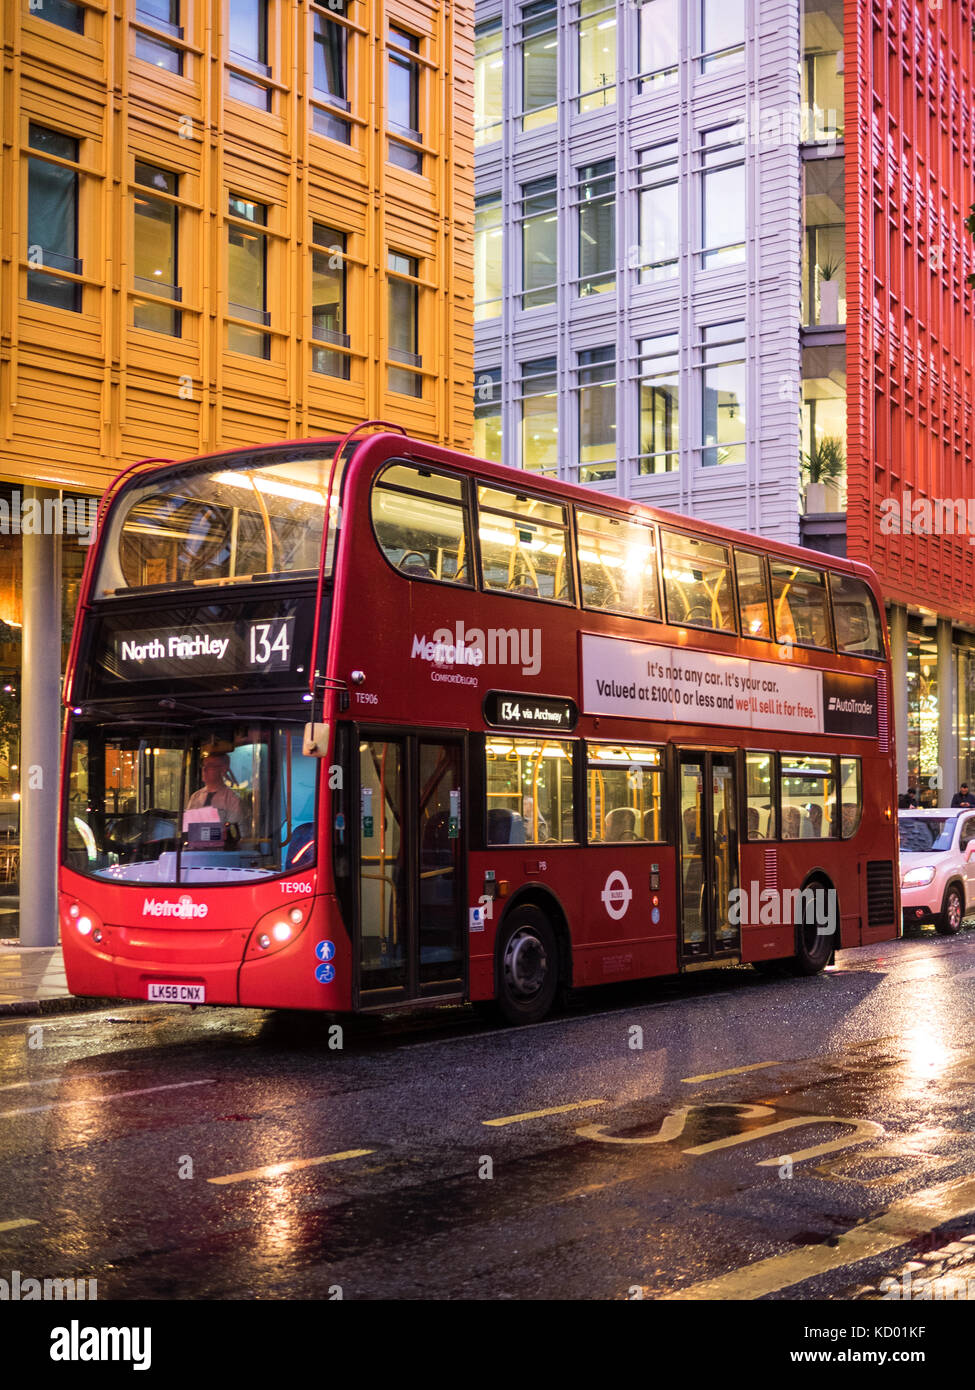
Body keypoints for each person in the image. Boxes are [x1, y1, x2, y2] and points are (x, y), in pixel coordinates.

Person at [186, 752, 243, 841]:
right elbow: (187, 828)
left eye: (210, 766)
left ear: (223, 769)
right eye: (203, 766)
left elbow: (232, 833)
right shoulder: (195, 797)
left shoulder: (232, 799)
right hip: (195, 850)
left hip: (220, 852)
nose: (204, 770)